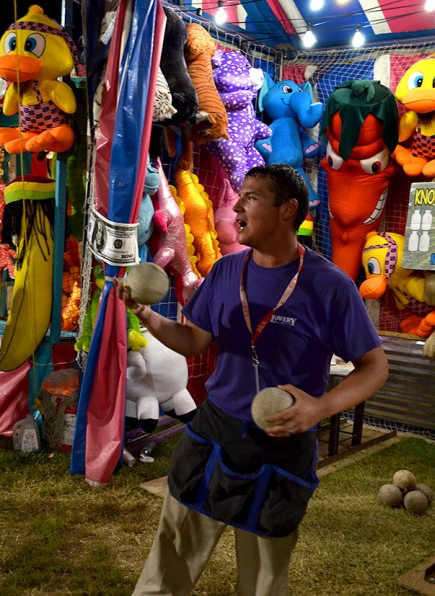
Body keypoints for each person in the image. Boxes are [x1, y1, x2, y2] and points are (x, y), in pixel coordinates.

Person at [116, 164, 389, 596]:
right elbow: (193, 341)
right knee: (169, 563)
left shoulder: (330, 286)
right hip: (215, 432)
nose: (237, 207)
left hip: (282, 444)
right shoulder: (226, 271)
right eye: (240, 197)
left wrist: (322, 407)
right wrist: (147, 316)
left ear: (288, 210)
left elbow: (375, 366)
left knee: (264, 579)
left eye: (251, 197)